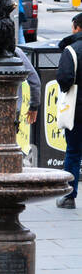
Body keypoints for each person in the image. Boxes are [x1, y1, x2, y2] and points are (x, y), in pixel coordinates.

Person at [56, 14, 82, 207]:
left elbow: (64, 79)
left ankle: (69, 196)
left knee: (73, 151)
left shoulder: (71, 50)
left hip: (77, 109)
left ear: (76, 28)